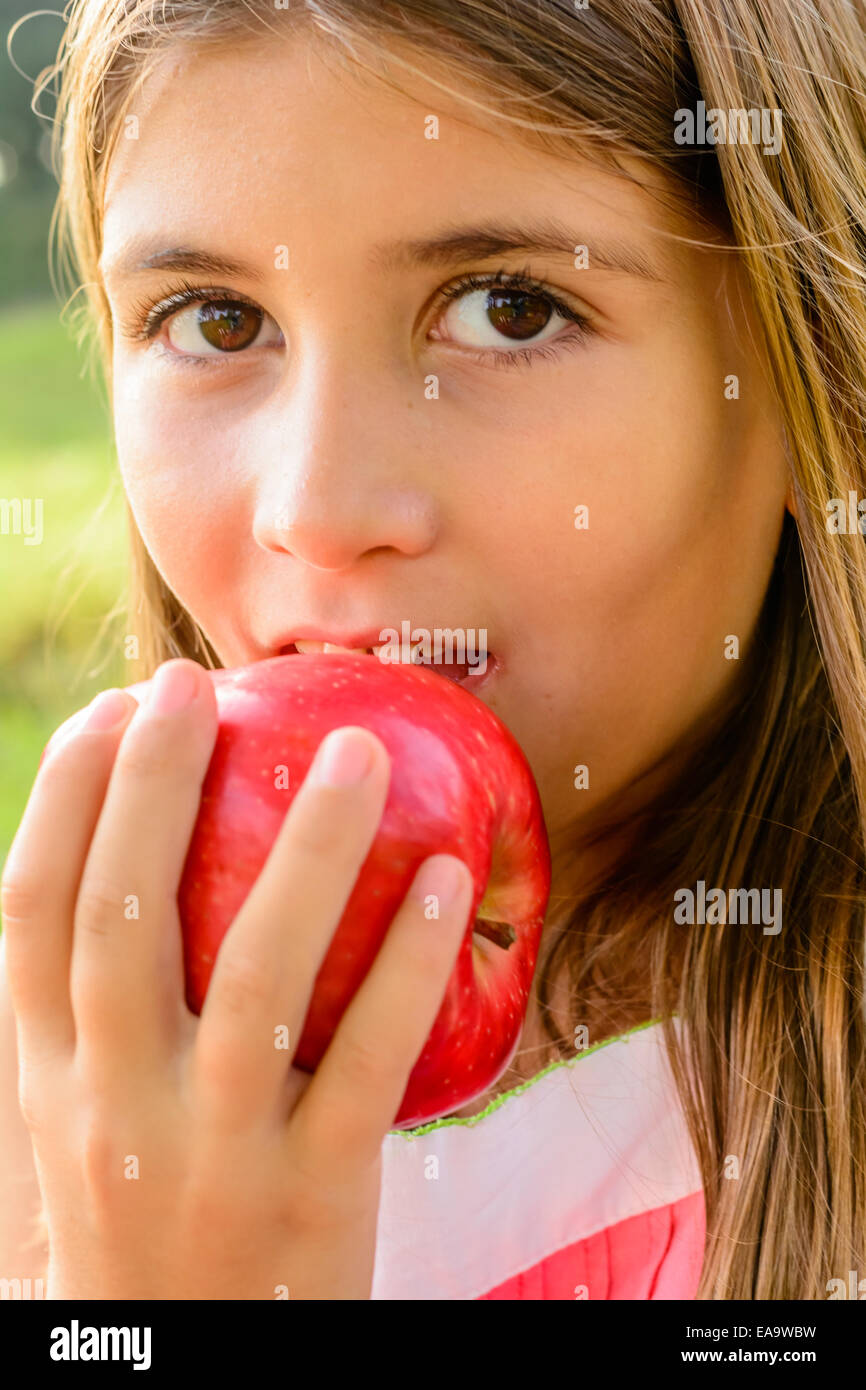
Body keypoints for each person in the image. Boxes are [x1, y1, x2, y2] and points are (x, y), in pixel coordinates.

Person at [1, 0, 865, 1299]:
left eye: (509, 310)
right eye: (214, 321)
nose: (316, 506)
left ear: (800, 378)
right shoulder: (64, 1075)